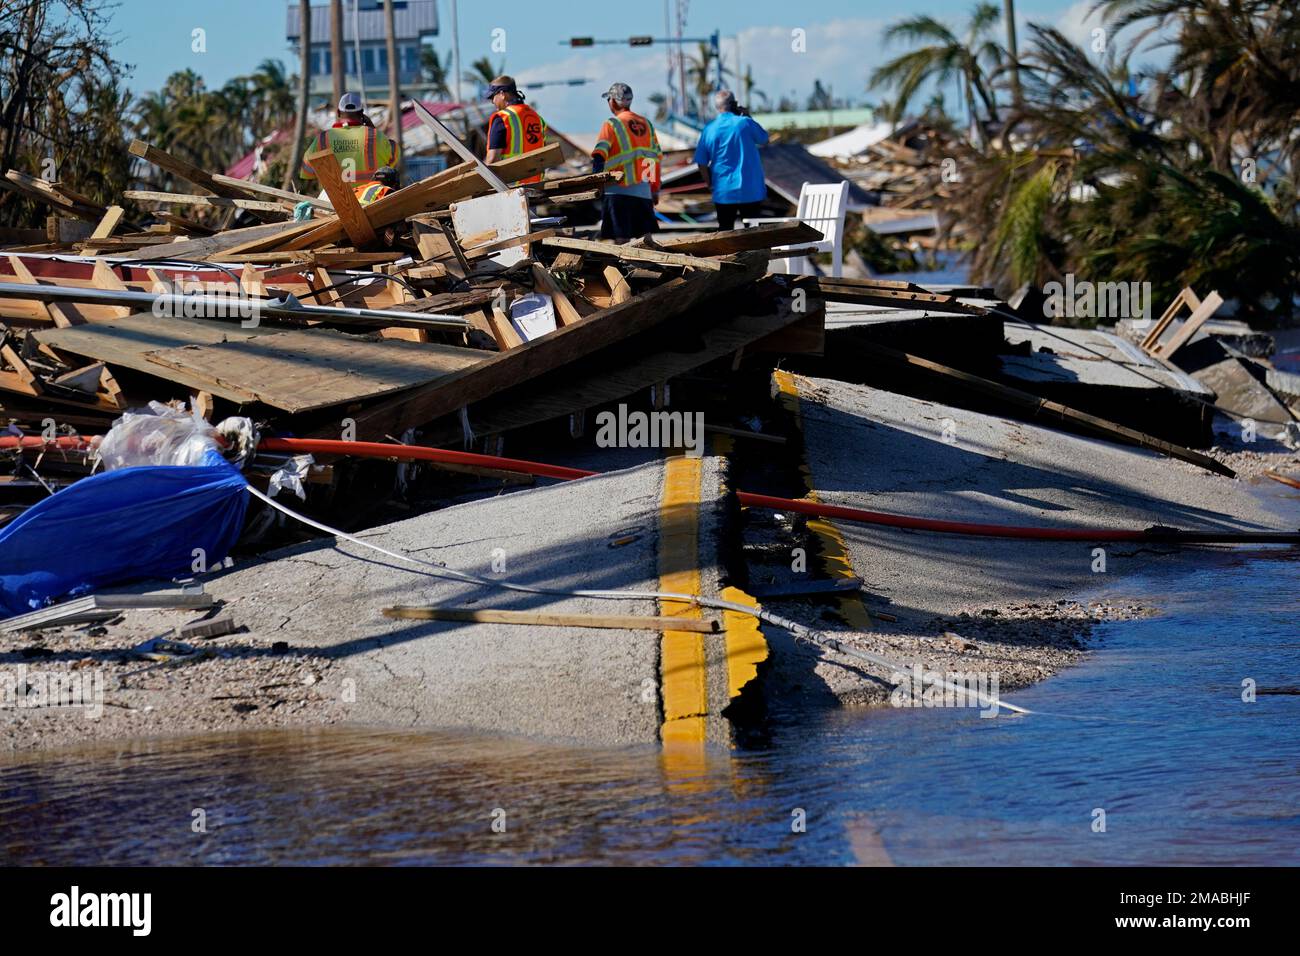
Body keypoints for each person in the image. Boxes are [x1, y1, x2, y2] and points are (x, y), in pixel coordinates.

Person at [591, 82, 662, 241]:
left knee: (621, 240)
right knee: (646, 240)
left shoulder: (612, 124)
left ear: (613, 101)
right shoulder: (646, 124)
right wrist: (654, 188)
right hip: (643, 190)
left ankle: (622, 266)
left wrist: (596, 184)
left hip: (617, 191)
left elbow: (599, 156)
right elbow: (654, 159)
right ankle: (648, 265)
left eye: (608, 99)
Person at [694, 89, 769, 230]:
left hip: (723, 191)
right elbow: (764, 139)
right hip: (750, 190)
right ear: (734, 104)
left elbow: (701, 162)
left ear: (717, 107)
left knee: (725, 231)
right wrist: (748, 115)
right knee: (754, 234)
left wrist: (709, 184)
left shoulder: (709, 129)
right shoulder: (745, 123)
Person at [300, 91, 400, 187]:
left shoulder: (322, 139)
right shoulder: (375, 135)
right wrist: (372, 128)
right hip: (370, 199)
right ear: (361, 113)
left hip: (335, 202)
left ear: (338, 113)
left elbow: (307, 172)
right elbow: (393, 158)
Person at [484, 76, 548, 185]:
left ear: (502, 94)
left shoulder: (503, 118)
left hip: (511, 189)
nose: (492, 102)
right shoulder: (537, 117)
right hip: (537, 185)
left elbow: (492, 159)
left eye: (492, 97)